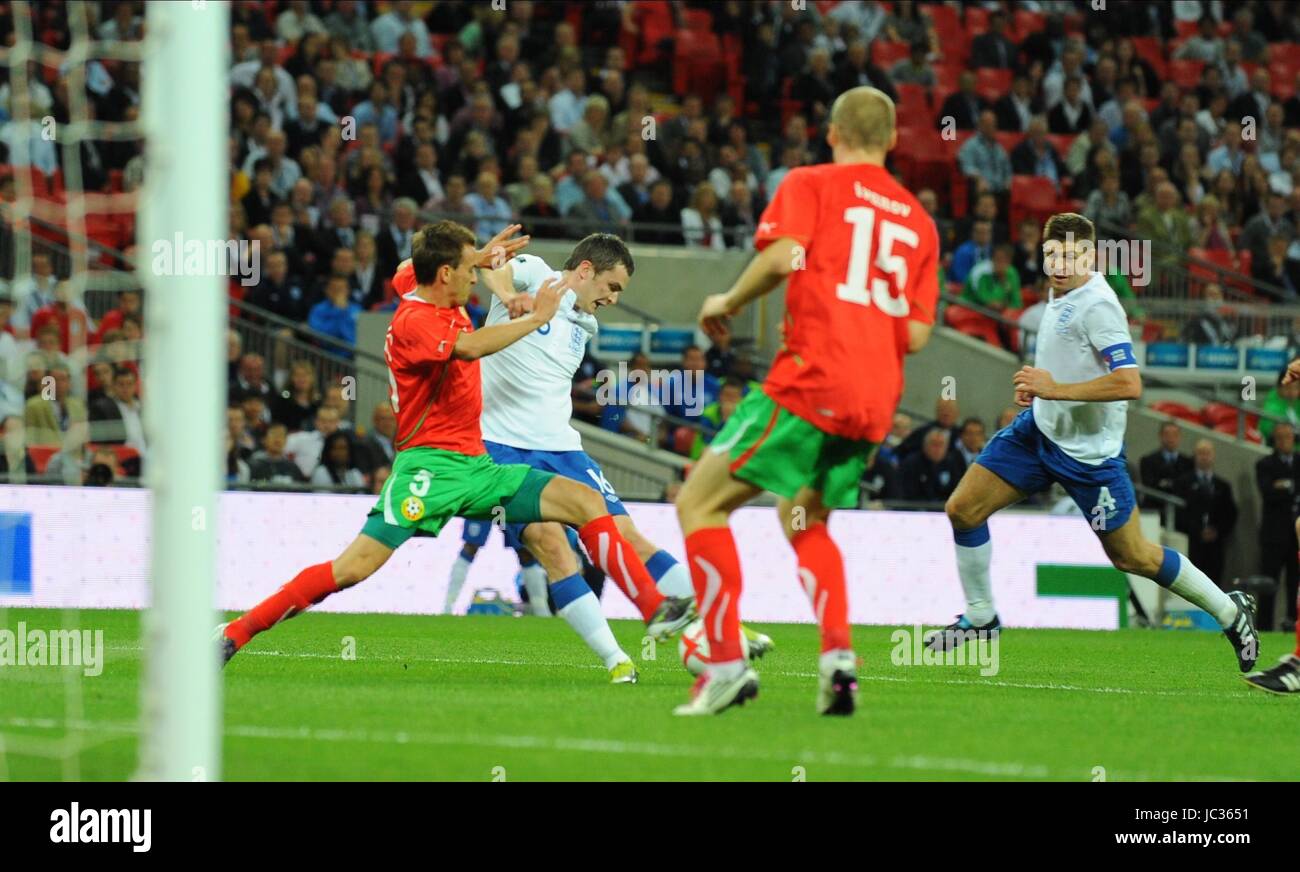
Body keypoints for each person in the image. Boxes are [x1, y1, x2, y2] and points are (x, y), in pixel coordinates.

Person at [219, 221, 692, 669]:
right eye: (470, 272)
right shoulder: (415, 323)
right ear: (447, 275)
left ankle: (656, 609)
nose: (478, 279)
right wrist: (537, 316)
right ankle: (234, 633)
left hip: (480, 466)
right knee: (352, 569)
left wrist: (483, 257)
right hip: (430, 469)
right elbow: (471, 348)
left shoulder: (425, 285)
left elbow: (413, 268)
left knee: (587, 502)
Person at [672, 86, 939, 716]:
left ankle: (724, 668)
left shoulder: (813, 182)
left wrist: (727, 302)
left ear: (833, 131)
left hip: (813, 378)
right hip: (876, 399)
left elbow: (785, 254)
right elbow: (920, 335)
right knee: (805, 519)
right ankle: (839, 658)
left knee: (699, 504)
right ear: (894, 139)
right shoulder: (920, 222)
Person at [933, 212, 1258, 676]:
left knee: (1133, 556)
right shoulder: (1059, 291)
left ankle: (1230, 612)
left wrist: (1054, 388)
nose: (1061, 264)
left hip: (1090, 457)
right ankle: (981, 617)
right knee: (962, 509)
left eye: (1071, 255)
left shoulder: (1099, 305)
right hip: (1039, 432)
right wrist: (1040, 391)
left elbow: (1129, 383)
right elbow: (1069, 363)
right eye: (1053, 255)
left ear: (1090, 256)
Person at [473, 232, 757, 680]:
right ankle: (615, 658)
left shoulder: (586, 325)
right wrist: (509, 298)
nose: (613, 298)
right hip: (500, 446)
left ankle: (723, 628)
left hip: (563, 448)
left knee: (628, 536)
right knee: (550, 546)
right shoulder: (536, 274)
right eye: (612, 286)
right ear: (585, 270)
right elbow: (491, 265)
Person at [1255, 421, 1300, 631]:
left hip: (1296, 534)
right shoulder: (1265, 464)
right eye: (1280, 437)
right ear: (1274, 440)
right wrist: (1287, 488)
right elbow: (1268, 492)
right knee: (1268, 583)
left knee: (1295, 584)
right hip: (1274, 535)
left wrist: (1283, 486)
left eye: (1288, 436)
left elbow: (1282, 489)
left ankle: (1293, 624)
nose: (1284, 441)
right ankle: (1263, 627)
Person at [1173, 439, 1237, 587]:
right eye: (1200, 453)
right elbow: (1179, 513)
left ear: (1213, 456)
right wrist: (1196, 531)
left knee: (1213, 585)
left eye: (1207, 453)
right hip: (1191, 544)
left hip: (1215, 547)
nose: (1204, 457)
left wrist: (1217, 531)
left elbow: (1230, 514)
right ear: (1194, 456)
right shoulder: (1183, 483)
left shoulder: (1223, 486)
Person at [1138, 420, 1193, 505]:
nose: (1171, 438)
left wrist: (1165, 483)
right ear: (1160, 436)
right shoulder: (1148, 461)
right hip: (1155, 508)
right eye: (1167, 434)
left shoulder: (1188, 463)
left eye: (1174, 435)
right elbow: (1150, 487)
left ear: (1180, 437)